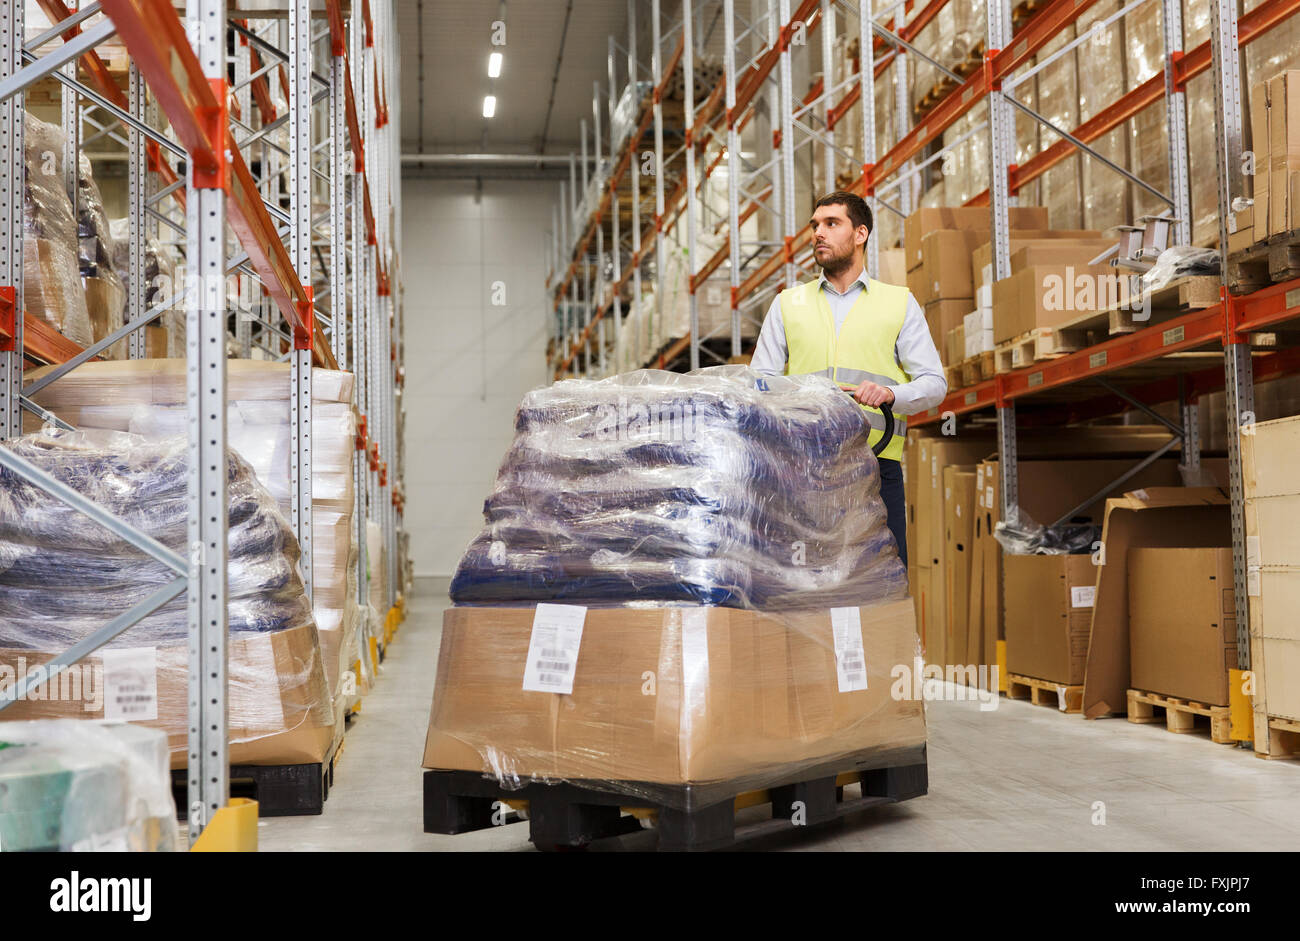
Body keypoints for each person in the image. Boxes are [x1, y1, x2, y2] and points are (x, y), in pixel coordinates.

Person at [749, 191, 947, 567]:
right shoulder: (787, 304)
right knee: (806, 581)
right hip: (803, 470)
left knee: (882, 579)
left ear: (860, 234)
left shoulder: (898, 303)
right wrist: (805, 391)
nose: (818, 233)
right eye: (815, 225)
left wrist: (890, 393)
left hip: (876, 470)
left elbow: (934, 383)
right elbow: (757, 385)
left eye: (831, 224)